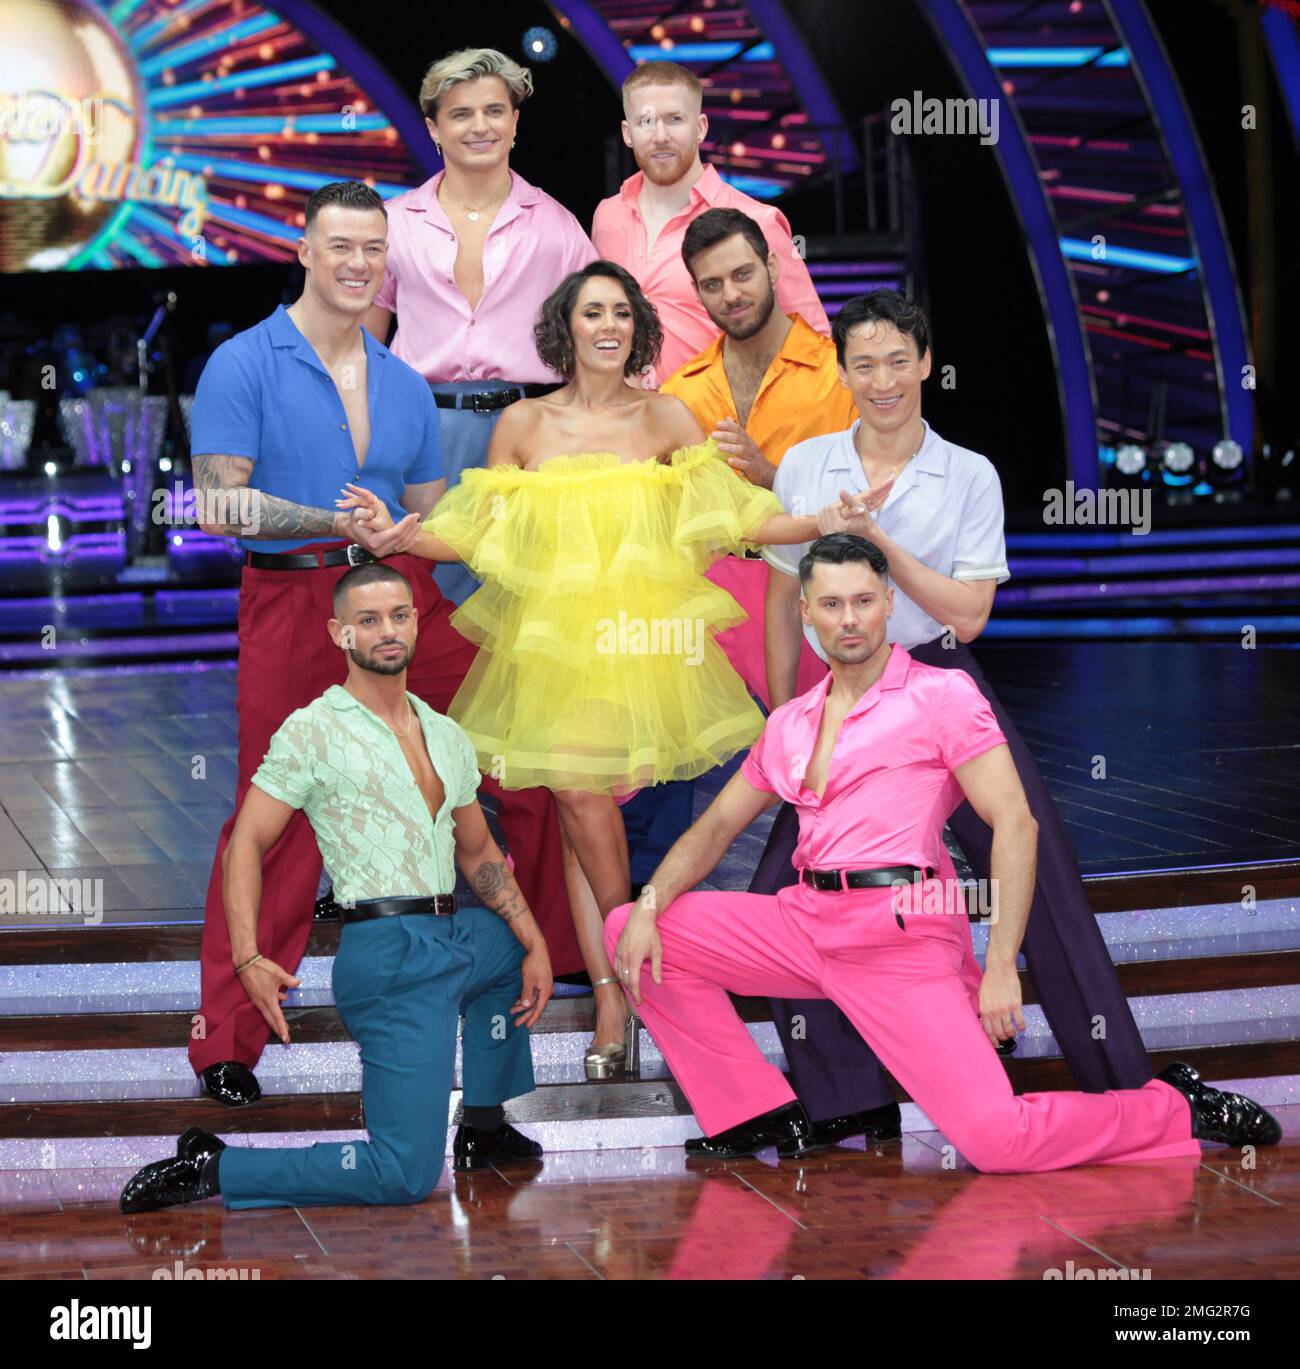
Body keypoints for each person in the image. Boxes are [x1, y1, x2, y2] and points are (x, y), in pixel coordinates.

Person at [605, 535, 1281, 1169]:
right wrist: (651, 903)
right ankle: (751, 1113)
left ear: (889, 603)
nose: (851, 620)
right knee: (632, 928)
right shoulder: (792, 722)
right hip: (804, 923)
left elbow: (1015, 822)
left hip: (898, 937)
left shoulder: (939, 696)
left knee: (996, 1140)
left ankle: (1172, 1106)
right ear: (805, 610)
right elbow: (715, 828)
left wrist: (1002, 966)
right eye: (833, 604)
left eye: (865, 601)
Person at [338, 261, 843, 1079]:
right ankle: (625, 980)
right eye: (590, 312)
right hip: (559, 649)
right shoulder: (525, 424)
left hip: (646, 646)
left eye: (620, 312)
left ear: (636, 328)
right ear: (564, 329)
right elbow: (472, 533)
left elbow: (740, 513)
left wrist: (822, 518)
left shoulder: (669, 416)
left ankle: (617, 989)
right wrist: (400, 536)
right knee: (577, 797)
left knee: (583, 813)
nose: (606, 325)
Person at [186, 180, 558, 1108]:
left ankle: (557, 972)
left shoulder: (403, 382)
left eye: (372, 250)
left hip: (403, 592)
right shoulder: (244, 361)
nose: (358, 264)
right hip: (295, 592)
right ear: (304, 251)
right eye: (340, 246)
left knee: (522, 762)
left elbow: (427, 514)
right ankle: (227, 1038)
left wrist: (455, 532)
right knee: (273, 814)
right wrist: (334, 517)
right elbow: (218, 503)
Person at [755, 290, 1154, 1153]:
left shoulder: (969, 471)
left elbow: (969, 615)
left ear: (926, 362)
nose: (884, 379)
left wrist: (882, 547)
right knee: (781, 891)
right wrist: (789, 704)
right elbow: (786, 598)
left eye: (899, 359)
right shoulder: (807, 465)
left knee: (1037, 858)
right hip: (842, 699)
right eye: (864, 362)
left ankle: (1122, 1077)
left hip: (938, 682)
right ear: (843, 371)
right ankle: (843, 1095)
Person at [121, 565, 551, 1212]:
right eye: (369, 620)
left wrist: (534, 940)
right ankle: (219, 1168)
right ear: (339, 632)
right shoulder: (313, 730)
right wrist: (246, 954)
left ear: (416, 621)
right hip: (390, 953)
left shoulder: (444, 732)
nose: (388, 631)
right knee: (402, 1176)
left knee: (508, 946)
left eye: (399, 615)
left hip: (451, 934)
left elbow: (480, 852)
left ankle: (483, 1127)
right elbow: (248, 843)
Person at [363, 46, 595, 974]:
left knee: (531, 670)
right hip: (421, 443)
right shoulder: (393, 220)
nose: (479, 127)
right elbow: (368, 342)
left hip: (529, 448)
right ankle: (405, 900)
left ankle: (555, 929)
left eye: (495, 111)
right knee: (414, 662)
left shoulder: (557, 225)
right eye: (461, 113)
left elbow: (594, 339)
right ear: (433, 124)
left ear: (514, 119)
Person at [662, 205, 860, 706]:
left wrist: (772, 475)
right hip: (706, 603)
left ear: (772, 268)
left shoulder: (840, 373)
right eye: (711, 284)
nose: (730, 295)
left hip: (811, 588)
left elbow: (869, 501)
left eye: (743, 274)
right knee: (681, 772)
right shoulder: (679, 392)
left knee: (818, 766)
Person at [592, 60, 828, 387]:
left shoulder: (756, 221)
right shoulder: (607, 216)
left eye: (675, 119)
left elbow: (814, 346)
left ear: (701, 127)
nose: (660, 136)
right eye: (646, 121)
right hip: (627, 428)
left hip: (720, 428)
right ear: (627, 133)